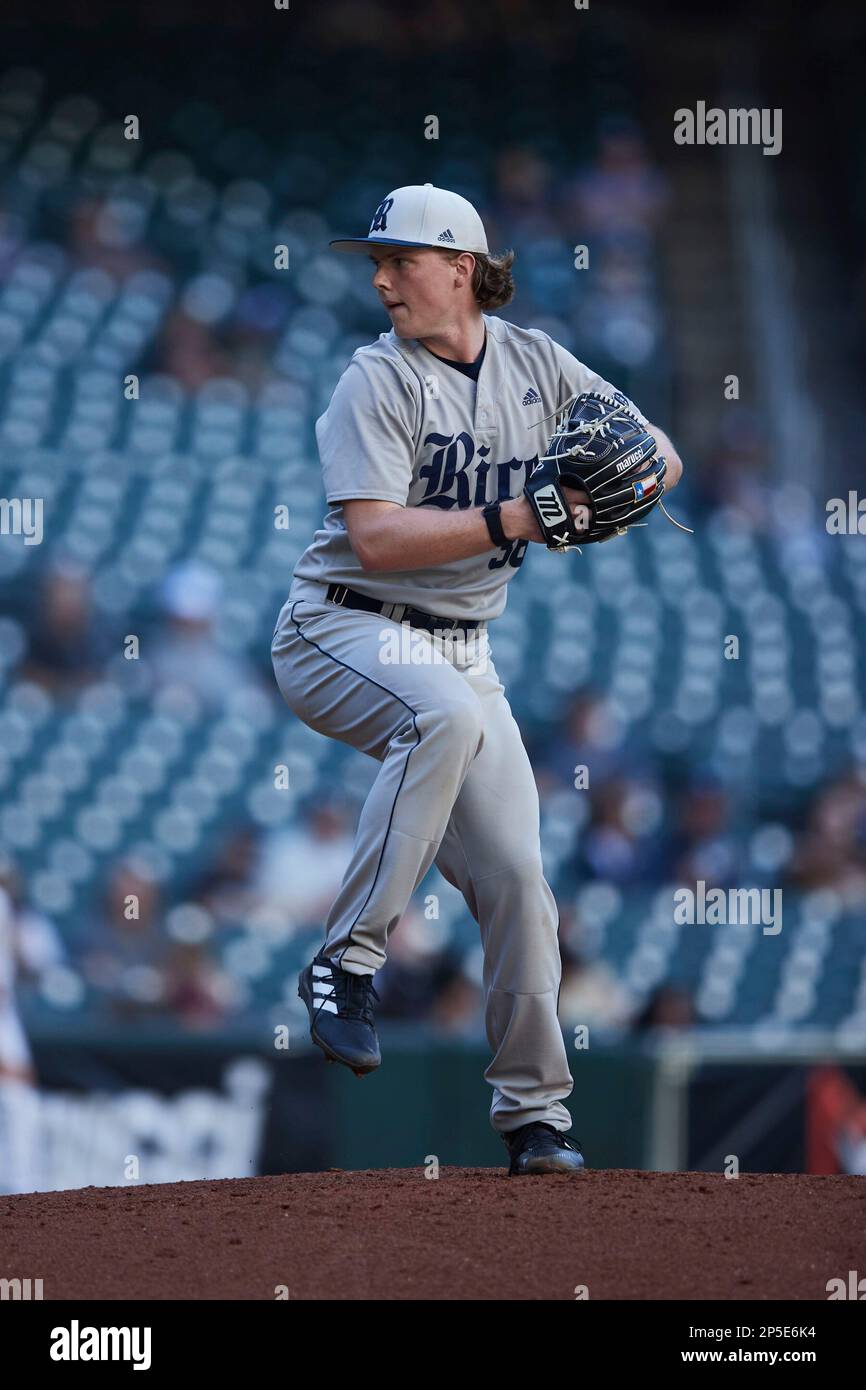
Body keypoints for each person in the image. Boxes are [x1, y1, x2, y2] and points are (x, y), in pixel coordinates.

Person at [271, 183, 683, 1175]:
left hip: (460, 649)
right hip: (339, 630)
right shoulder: (372, 379)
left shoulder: (537, 363)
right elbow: (371, 539)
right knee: (444, 718)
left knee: (518, 886)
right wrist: (523, 516)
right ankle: (347, 963)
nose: (377, 278)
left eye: (397, 260)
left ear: (460, 267)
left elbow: (658, 456)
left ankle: (534, 1120)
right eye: (373, 261)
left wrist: (626, 483)